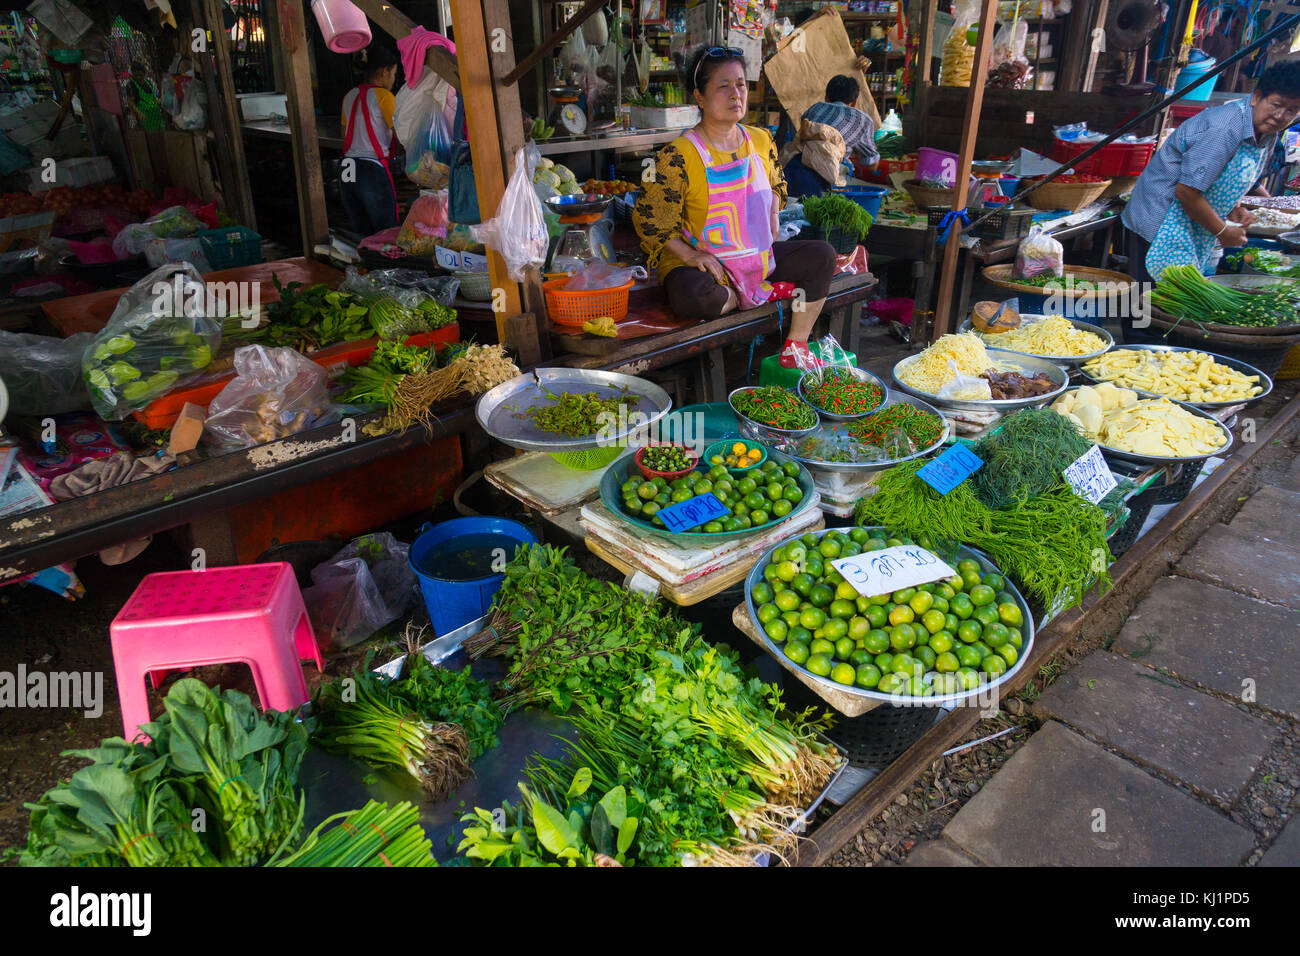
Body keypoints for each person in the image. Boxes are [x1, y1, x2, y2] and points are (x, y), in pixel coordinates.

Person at [633, 46, 839, 369]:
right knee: (692, 294)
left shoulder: (760, 140)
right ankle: (745, 296)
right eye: (723, 86)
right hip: (707, 270)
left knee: (823, 256)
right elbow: (651, 220)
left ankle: (795, 345)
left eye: (741, 84)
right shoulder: (677, 155)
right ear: (699, 96)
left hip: (755, 259)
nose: (735, 94)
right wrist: (693, 256)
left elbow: (777, 186)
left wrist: (773, 211)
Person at [1120, 60, 1300, 343]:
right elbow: (1187, 192)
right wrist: (1223, 231)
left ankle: (1166, 350)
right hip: (1161, 216)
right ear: (1256, 97)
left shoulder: (1265, 132)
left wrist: (1235, 207)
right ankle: (1138, 353)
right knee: (1149, 301)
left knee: (1177, 298)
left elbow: (1226, 176)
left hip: (1189, 220)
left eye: (1292, 110)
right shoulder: (1224, 128)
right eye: (1276, 104)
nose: (1281, 115)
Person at [784, 71, 880, 198]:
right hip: (823, 180)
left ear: (826, 97)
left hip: (791, 170)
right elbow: (871, 164)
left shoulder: (814, 108)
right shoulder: (863, 119)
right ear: (855, 101)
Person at [340, 45, 402, 237]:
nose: (393, 79)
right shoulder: (385, 97)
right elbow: (400, 136)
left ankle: (365, 266)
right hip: (371, 169)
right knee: (386, 232)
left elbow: (344, 134)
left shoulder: (349, 96)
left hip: (347, 169)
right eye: (393, 74)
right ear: (384, 72)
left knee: (362, 232)